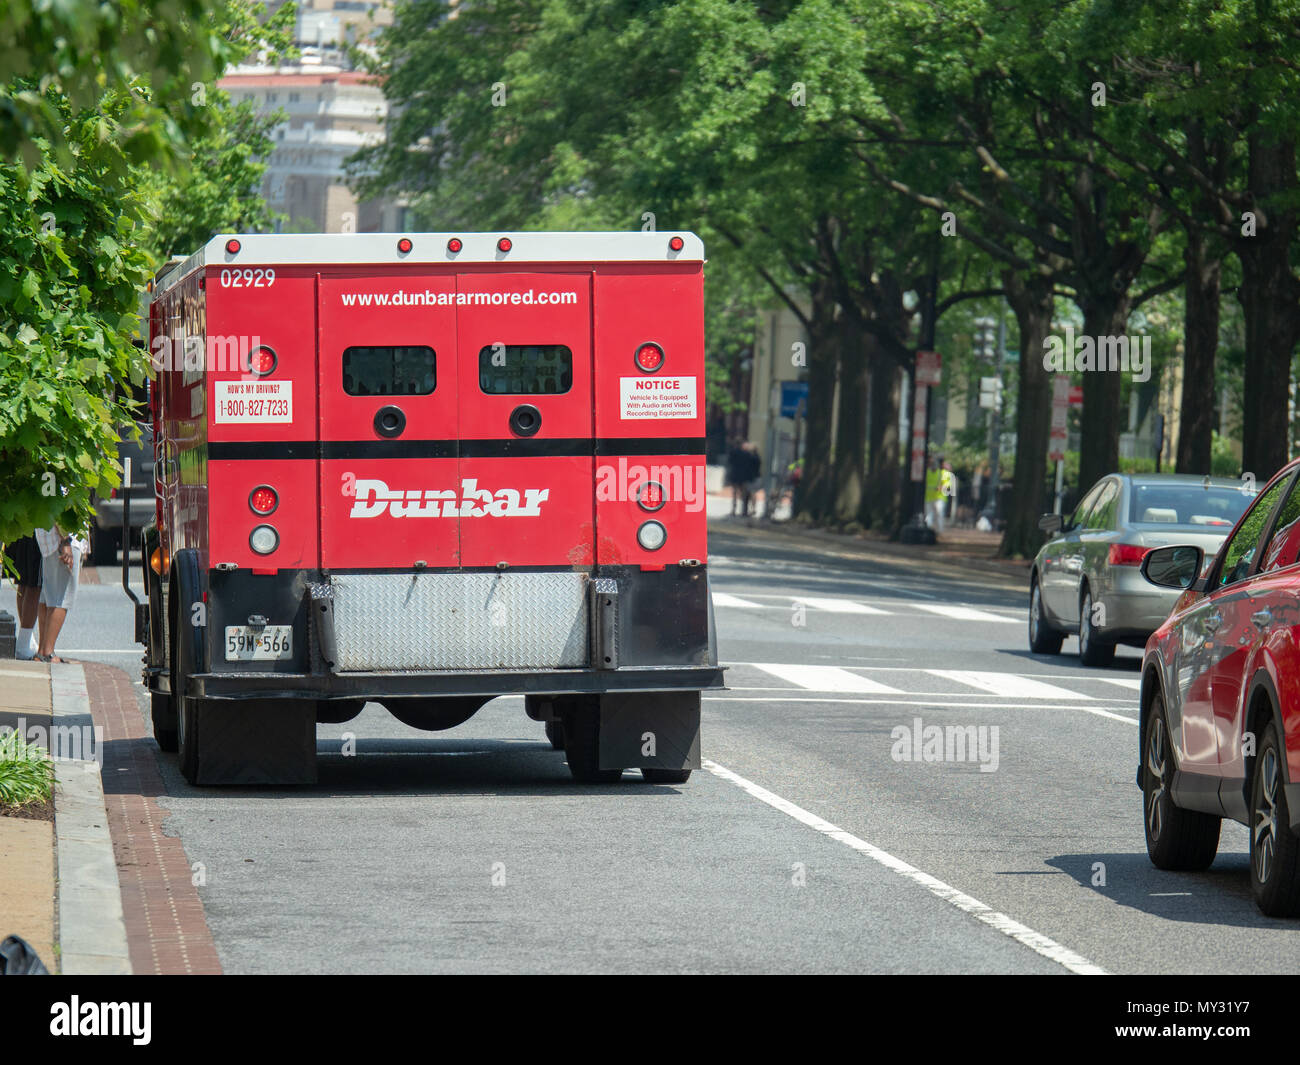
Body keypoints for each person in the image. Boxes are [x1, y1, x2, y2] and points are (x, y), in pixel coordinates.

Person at [34, 523, 86, 663]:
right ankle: (48, 652)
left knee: (48, 596)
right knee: (62, 598)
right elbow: (62, 508)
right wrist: (65, 541)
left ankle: (42, 650)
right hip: (62, 539)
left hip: (49, 539)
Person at [2, 534, 43, 659]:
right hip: (36, 531)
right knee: (33, 584)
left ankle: (26, 640)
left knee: (25, 582)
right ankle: (25, 643)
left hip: (23, 527)